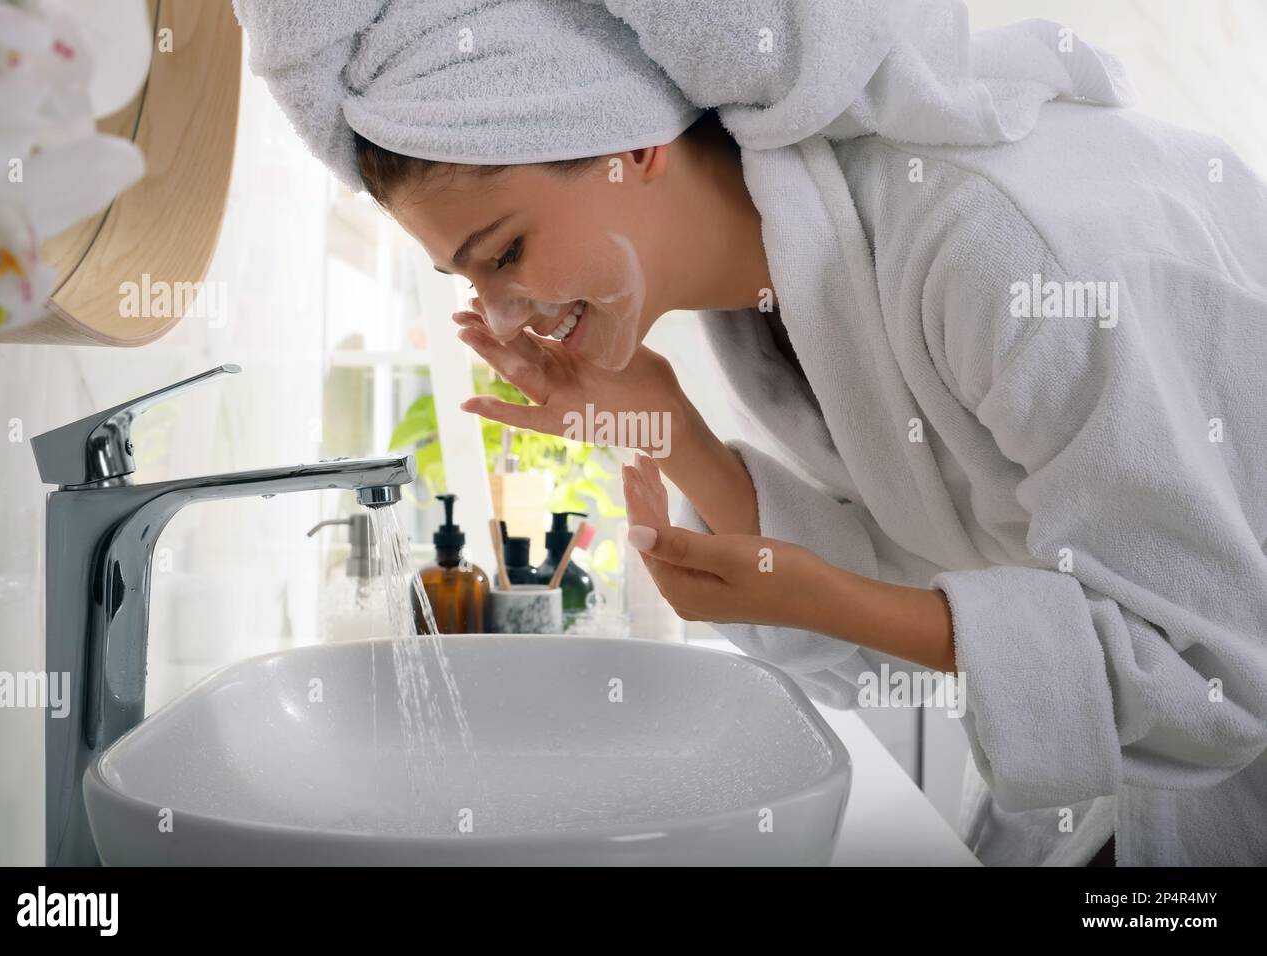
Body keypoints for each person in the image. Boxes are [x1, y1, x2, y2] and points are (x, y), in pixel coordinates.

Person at [235, 0, 1267, 865]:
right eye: (467, 280)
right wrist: (669, 426)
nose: (501, 318)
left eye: (503, 252)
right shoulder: (770, 306)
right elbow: (949, 561)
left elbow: (1209, 673)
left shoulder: (989, 244)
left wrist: (834, 599)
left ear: (627, 143)